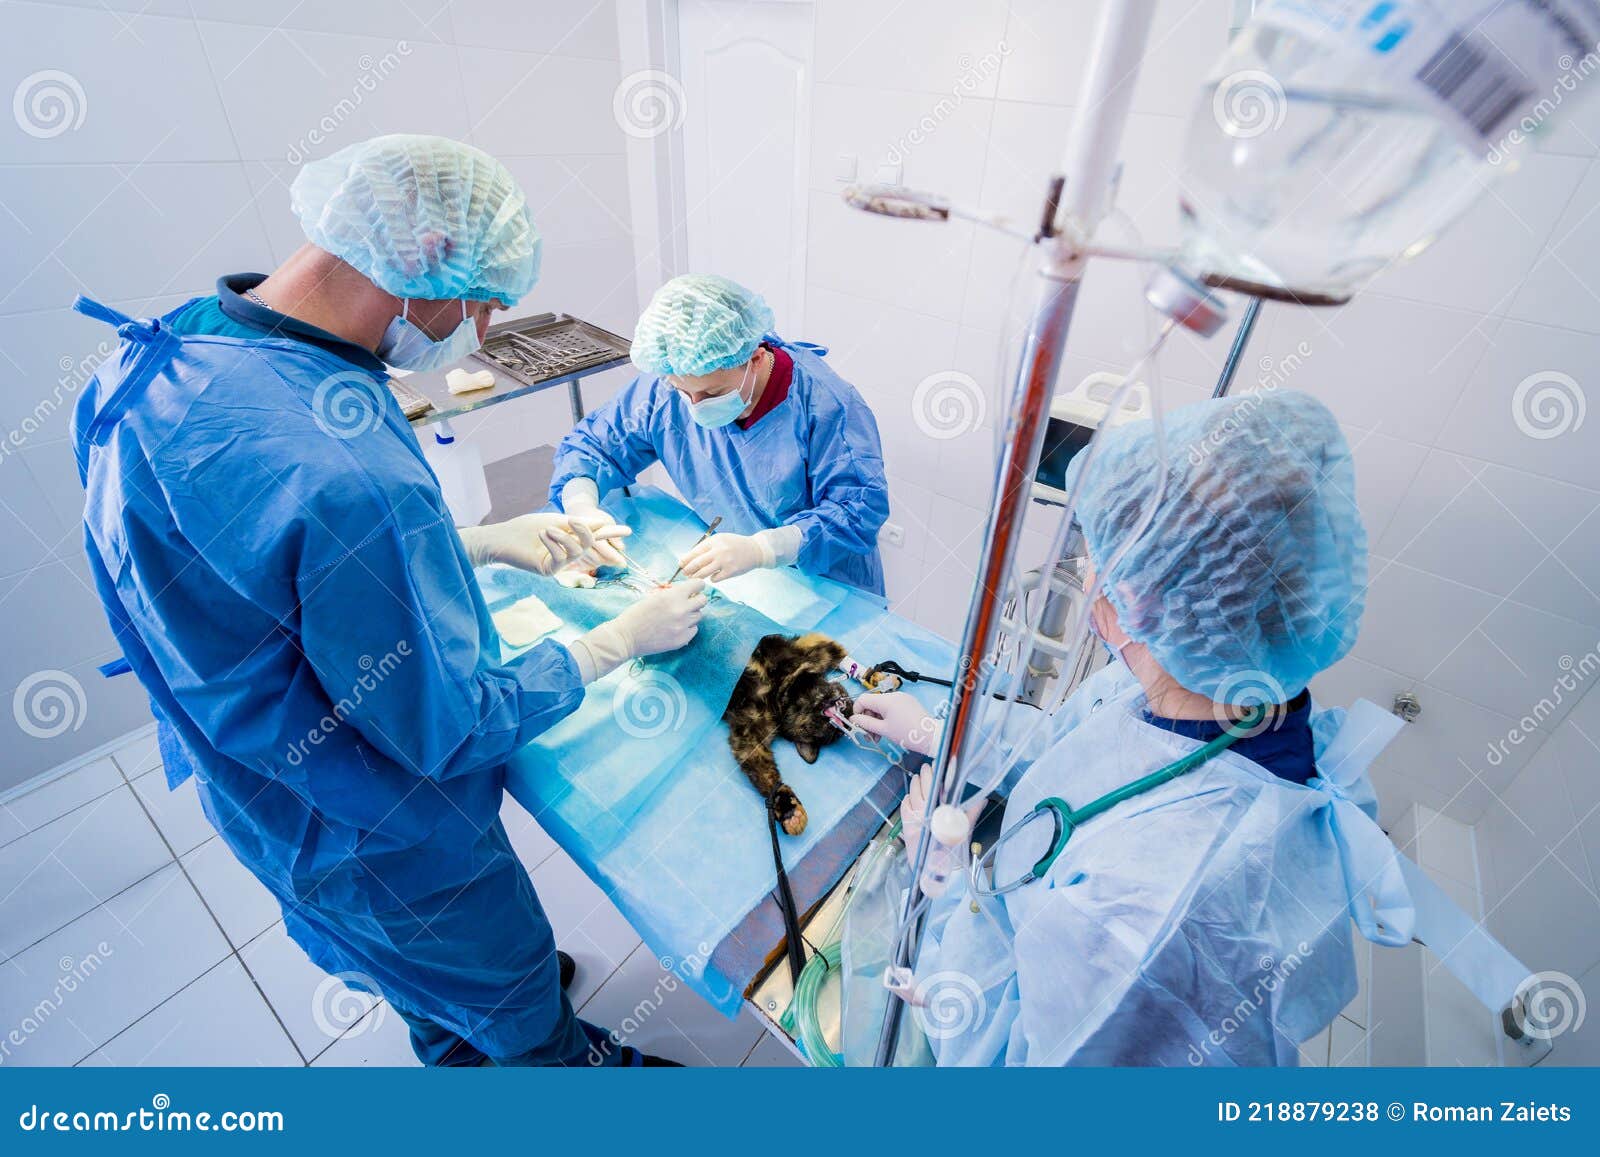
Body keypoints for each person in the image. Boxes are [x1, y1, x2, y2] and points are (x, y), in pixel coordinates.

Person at [72, 134, 707, 1067]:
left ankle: (471, 1034)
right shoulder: (350, 470)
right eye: (486, 299)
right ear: (421, 258)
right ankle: (553, 1054)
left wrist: (469, 544)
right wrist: (612, 642)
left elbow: (252, 569)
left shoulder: (165, 353)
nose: (485, 327)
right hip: (382, 835)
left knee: (420, 980)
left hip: (264, 797)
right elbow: (447, 725)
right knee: (504, 987)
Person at [849, 390, 1416, 1066]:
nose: (1085, 571)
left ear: (1138, 602)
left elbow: (1000, 1058)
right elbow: (1068, 745)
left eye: (1096, 554)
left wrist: (938, 880)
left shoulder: (1141, 919)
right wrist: (935, 730)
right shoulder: (1213, 686)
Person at [549, 274, 891, 593]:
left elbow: (857, 510)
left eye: (713, 393)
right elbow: (595, 446)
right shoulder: (671, 381)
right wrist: (582, 508)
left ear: (755, 359)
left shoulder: (827, 405)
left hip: (824, 584)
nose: (695, 405)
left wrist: (762, 549)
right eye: (683, 392)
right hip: (746, 584)